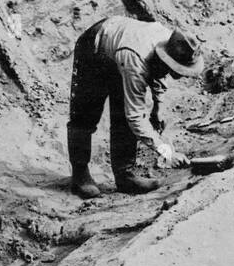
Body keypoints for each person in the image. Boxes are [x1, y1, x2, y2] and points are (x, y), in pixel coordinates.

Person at [67, 17, 204, 198]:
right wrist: (167, 152)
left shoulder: (172, 44)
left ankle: (125, 176)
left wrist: (158, 106)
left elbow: (159, 70)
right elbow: (136, 117)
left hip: (121, 50)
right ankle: (80, 176)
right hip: (95, 48)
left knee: (122, 116)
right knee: (85, 115)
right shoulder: (136, 60)